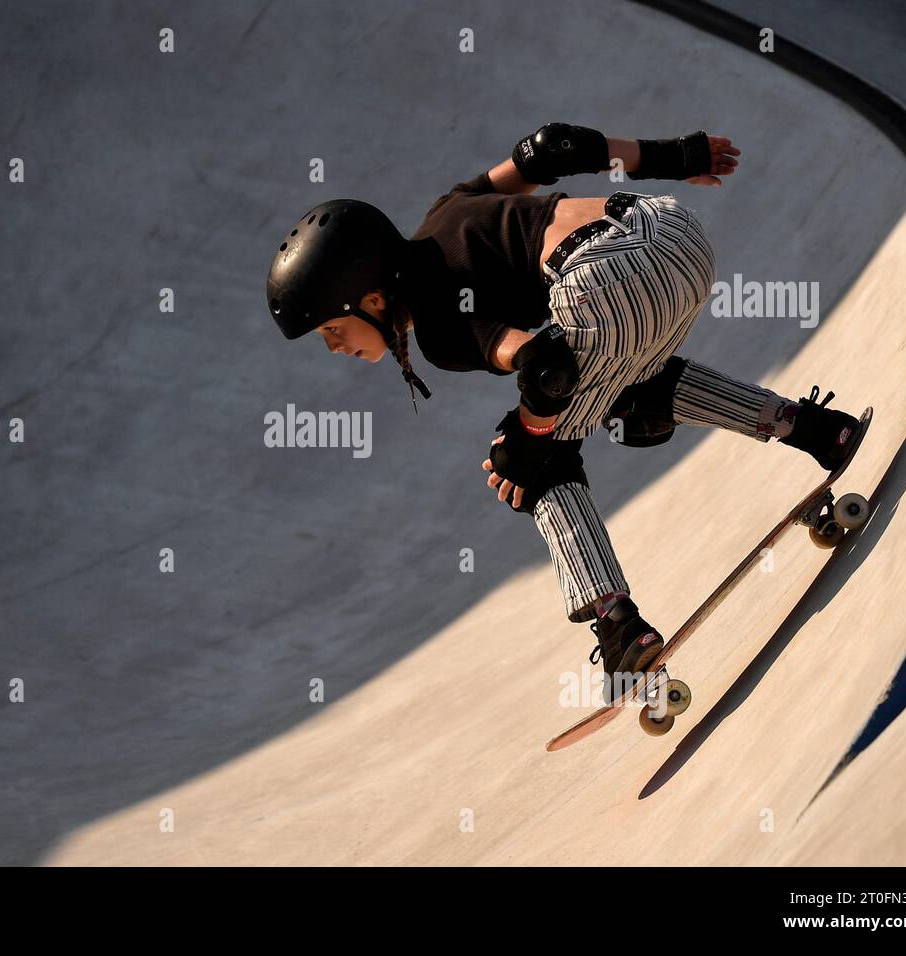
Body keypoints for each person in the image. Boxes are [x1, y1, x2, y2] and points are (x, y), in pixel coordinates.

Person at [265, 124, 863, 702]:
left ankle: (618, 623)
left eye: (333, 330)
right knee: (627, 389)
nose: (335, 348)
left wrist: (526, 446)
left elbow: (547, 367)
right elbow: (552, 148)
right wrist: (677, 156)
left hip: (602, 284)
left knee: (530, 458)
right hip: (672, 232)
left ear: (372, 300)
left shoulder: (441, 334)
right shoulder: (451, 205)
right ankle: (814, 428)